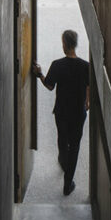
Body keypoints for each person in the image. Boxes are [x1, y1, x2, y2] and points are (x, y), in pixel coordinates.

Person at [33, 29, 90, 196]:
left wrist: (39, 74)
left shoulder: (57, 64)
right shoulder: (85, 66)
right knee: (75, 146)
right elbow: (89, 86)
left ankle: (63, 161)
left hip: (62, 112)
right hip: (78, 113)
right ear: (75, 44)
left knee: (62, 140)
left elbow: (50, 86)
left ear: (64, 44)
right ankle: (67, 183)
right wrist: (87, 101)